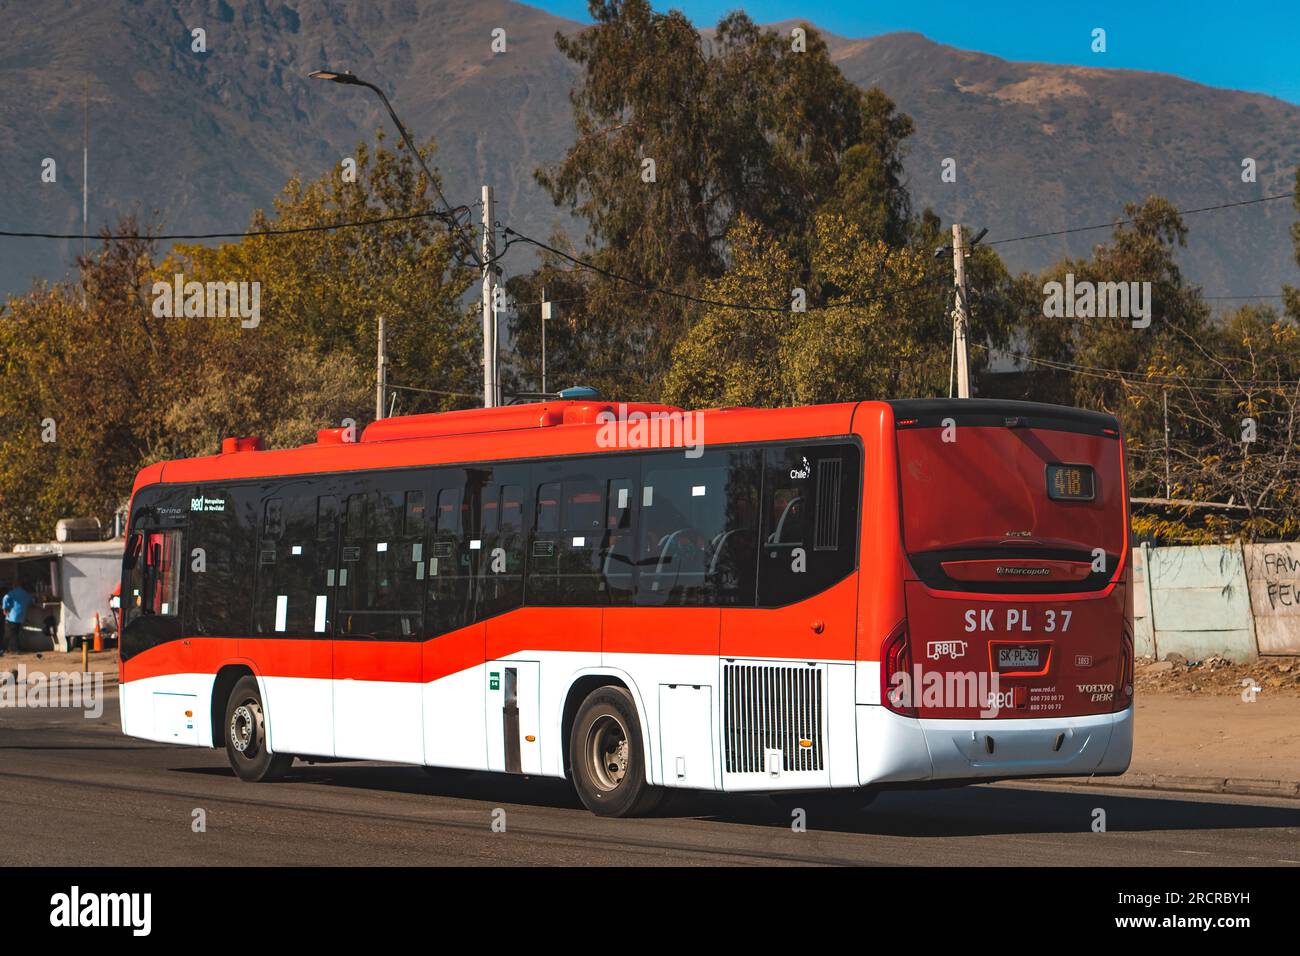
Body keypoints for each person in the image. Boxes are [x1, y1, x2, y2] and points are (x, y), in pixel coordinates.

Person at [1, 580, 34, 656]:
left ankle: (15, 649)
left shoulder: (13, 593)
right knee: (15, 633)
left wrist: (4, 608)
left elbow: (6, 597)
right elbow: (32, 601)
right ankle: (10, 649)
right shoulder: (25, 594)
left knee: (10, 634)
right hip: (21, 617)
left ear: (14, 586)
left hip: (12, 616)